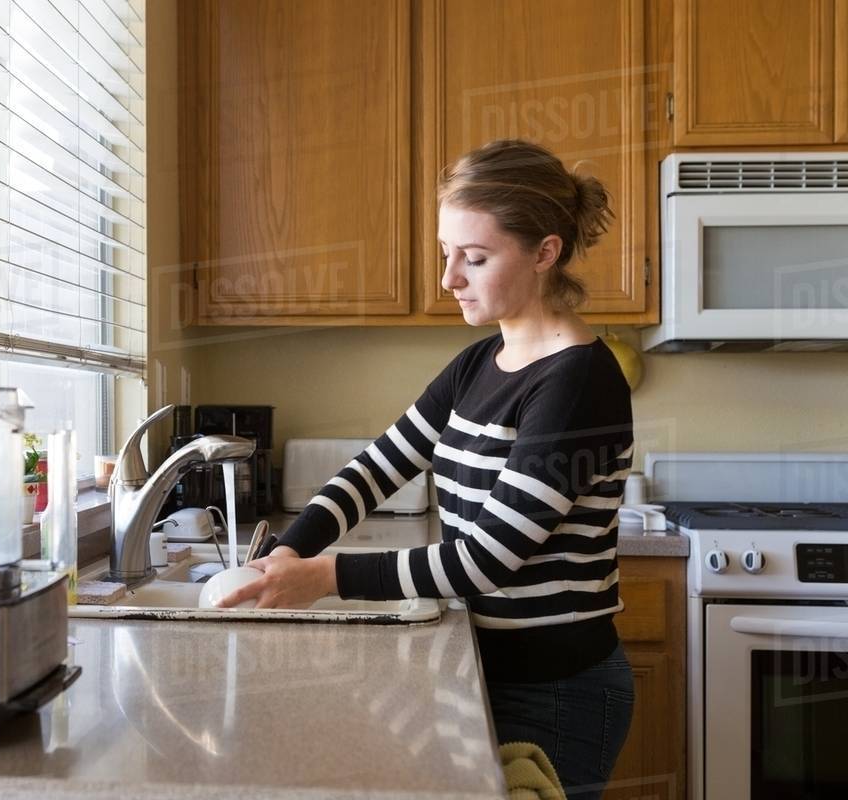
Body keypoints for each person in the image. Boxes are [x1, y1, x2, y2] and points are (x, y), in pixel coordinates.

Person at [219, 139, 636, 799]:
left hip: (557, 693)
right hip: (481, 669)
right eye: (447, 254)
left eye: (475, 257)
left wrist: (324, 577)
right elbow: (375, 471)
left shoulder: (578, 380)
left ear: (544, 252)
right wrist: (283, 558)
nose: (450, 279)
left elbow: (487, 560)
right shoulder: (478, 364)